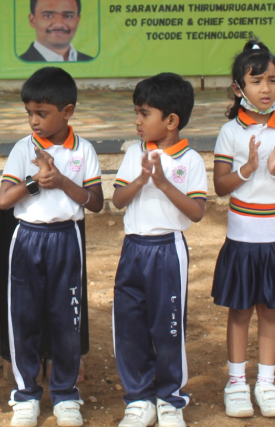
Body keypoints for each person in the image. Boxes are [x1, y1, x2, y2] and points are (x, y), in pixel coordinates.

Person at [210, 40, 275, 419]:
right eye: (256, 81)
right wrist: (248, 169)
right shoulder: (230, 132)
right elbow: (220, 186)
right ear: (239, 88)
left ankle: (266, 383)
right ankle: (236, 382)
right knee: (239, 310)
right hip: (242, 237)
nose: (265, 89)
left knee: (271, 310)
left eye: (272, 80)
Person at [0, 67, 103, 427]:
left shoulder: (83, 149)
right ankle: (26, 394)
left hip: (66, 240)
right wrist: (34, 183)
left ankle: (65, 393)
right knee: (24, 317)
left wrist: (61, 181)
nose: (34, 121)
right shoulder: (22, 148)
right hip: (27, 238)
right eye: (29, 113)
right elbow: (3, 202)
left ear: (67, 112)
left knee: (66, 319)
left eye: (42, 113)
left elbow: (96, 202)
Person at [110, 73, 207, 427]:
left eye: (144, 113)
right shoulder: (134, 153)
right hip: (133, 248)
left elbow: (196, 212)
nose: (137, 121)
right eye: (136, 112)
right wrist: (140, 179)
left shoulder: (190, 160)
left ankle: (169, 399)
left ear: (170, 121)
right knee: (129, 323)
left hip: (168, 250)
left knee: (167, 327)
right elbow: (118, 200)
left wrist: (163, 182)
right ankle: (138, 399)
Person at [19, 0, 93, 62]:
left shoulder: (90, 62)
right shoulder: (20, 65)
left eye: (67, 16)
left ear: (77, 20)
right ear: (32, 20)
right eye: (48, 15)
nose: (59, 24)